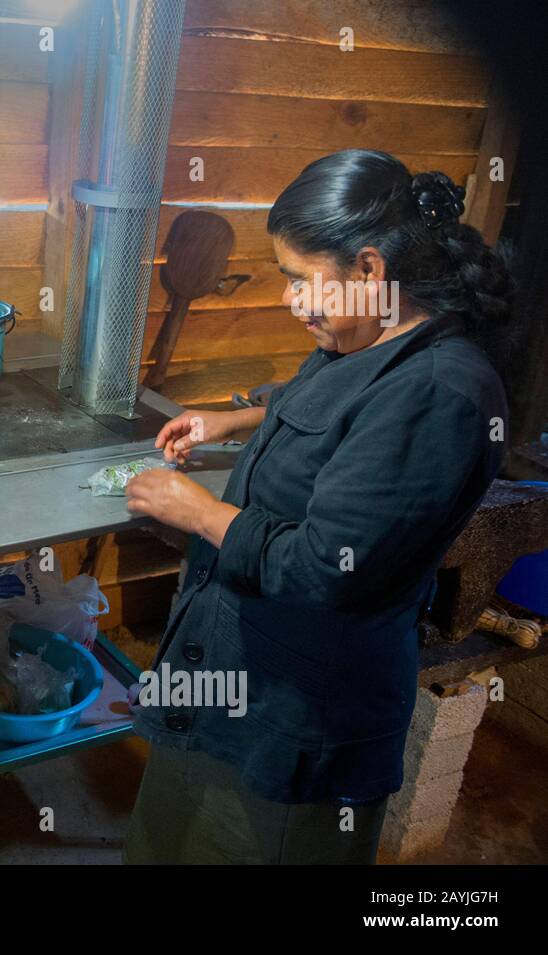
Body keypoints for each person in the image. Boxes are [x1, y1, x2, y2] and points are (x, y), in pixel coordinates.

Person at [120, 149, 512, 863]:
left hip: (301, 713)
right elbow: (324, 403)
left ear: (368, 270)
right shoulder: (363, 336)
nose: (290, 299)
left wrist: (199, 511)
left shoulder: (440, 396)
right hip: (233, 671)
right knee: (171, 838)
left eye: (301, 280)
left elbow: (324, 566)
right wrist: (235, 419)